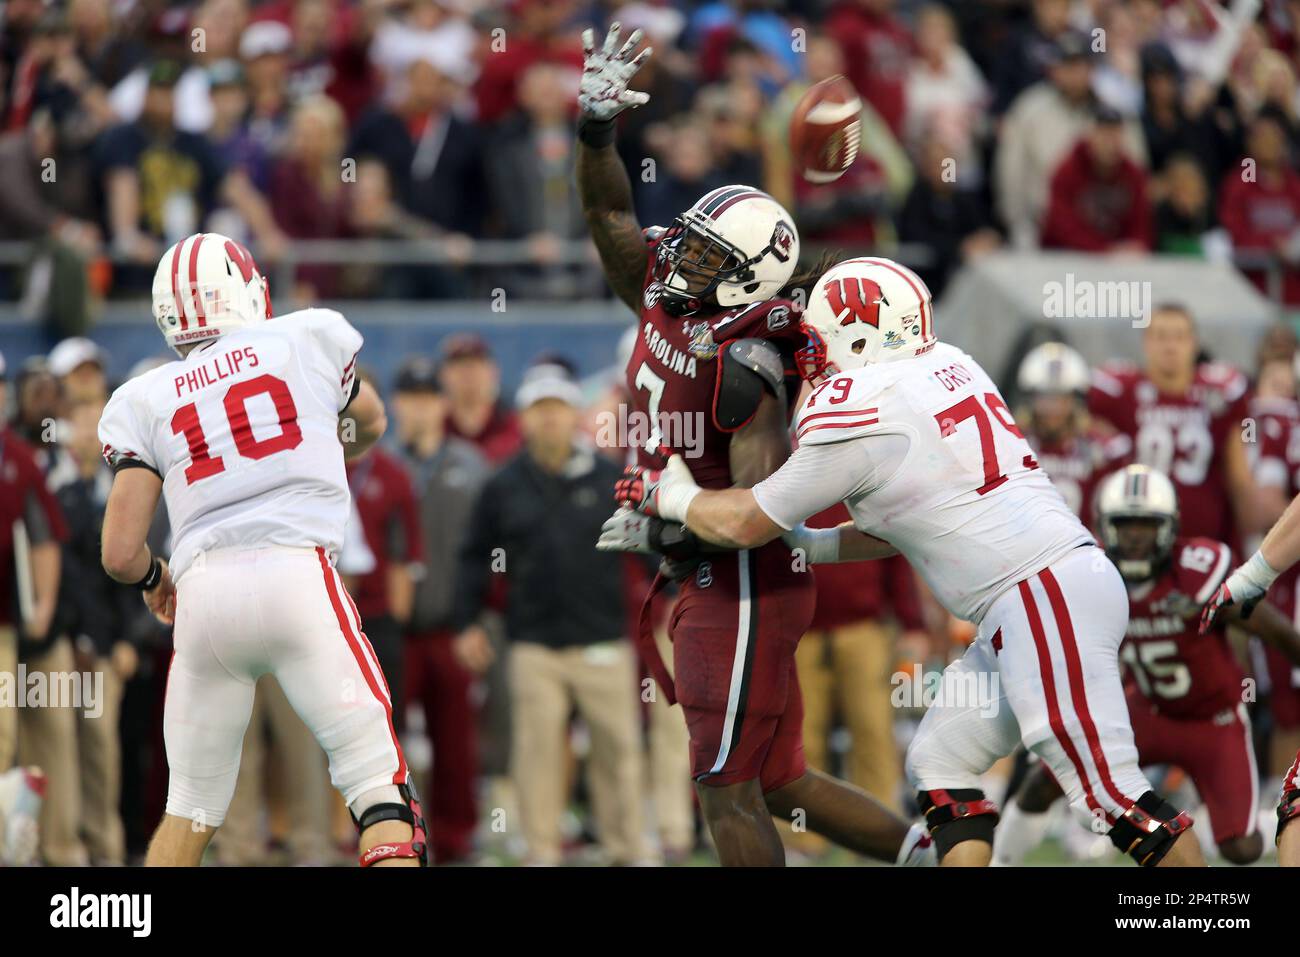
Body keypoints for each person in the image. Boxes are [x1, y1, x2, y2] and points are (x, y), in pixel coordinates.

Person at [616, 256, 1207, 867]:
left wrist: (668, 494)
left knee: (1113, 796)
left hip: (1039, 593)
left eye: (820, 339)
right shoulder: (953, 364)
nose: (813, 356)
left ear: (860, 337)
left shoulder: (860, 410)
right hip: (1046, 589)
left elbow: (742, 521)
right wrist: (816, 544)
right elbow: (919, 512)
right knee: (941, 765)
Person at [581, 24, 931, 867]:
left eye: (703, 254)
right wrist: (595, 131)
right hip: (717, 572)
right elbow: (608, 210)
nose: (679, 257)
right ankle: (937, 853)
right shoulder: (671, 293)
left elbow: (764, 514)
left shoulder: (746, 360)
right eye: (690, 241)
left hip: (739, 583)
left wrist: (667, 519)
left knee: (725, 787)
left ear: (744, 279)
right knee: (781, 781)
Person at [95, 231, 422, 867]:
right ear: (248, 292)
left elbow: (118, 551)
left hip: (203, 597)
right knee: (377, 787)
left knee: (188, 808)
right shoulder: (305, 337)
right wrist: (322, 440)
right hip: (297, 575)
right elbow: (373, 422)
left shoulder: (148, 395)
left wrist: (155, 578)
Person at [999, 466, 1300, 866]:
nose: (1135, 536)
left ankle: (1246, 819)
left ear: (1170, 527)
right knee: (1043, 782)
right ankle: (999, 861)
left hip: (1214, 721)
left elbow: (1275, 632)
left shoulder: (1198, 572)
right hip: (1143, 712)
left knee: (1240, 849)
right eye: (1125, 524)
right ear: (1106, 526)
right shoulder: (1094, 573)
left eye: (1145, 524)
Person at [454, 360, 648, 865]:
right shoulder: (503, 487)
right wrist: (466, 619)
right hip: (533, 641)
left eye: (558, 409)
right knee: (536, 754)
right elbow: (474, 555)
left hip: (603, 637)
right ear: (523, 418)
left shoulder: (610, 478)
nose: (549, 420)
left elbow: (647, 548)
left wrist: (669, 598)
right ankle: (541, 851)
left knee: (618, 753)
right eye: (539, 410)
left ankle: (628, 848)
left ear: (574, 414)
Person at [390, 355, 488, 864]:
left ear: (443, 404)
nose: (420, 409)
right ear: (396, 405)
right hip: (393, 631)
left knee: (456, 743)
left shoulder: (471, 466)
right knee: (387, 747)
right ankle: (396, 836)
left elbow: (489, 551)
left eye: (429, 399)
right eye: (411, 399)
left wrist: (479, 620)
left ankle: (456, 837)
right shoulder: (380, 463)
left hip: (451, 626)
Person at [1088, 304, 1264, 545]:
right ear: (1146, 342)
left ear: (1194, 342)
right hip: (1136, 538)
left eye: (1179, 337)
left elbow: (1246, 441)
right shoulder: (1119, 391)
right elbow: (1080, 423)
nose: (1170, 346)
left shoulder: (1223, 394)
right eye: (1161, 337)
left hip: (1204, 540)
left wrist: (1249, 440)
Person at [1016, 341, 1130, 520]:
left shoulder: (1102, 450)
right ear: (1031, 400)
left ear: (1075, 401)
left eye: (1061, 398)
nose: (1052, 408)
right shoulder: (1014, 445)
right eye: (1044, 397)